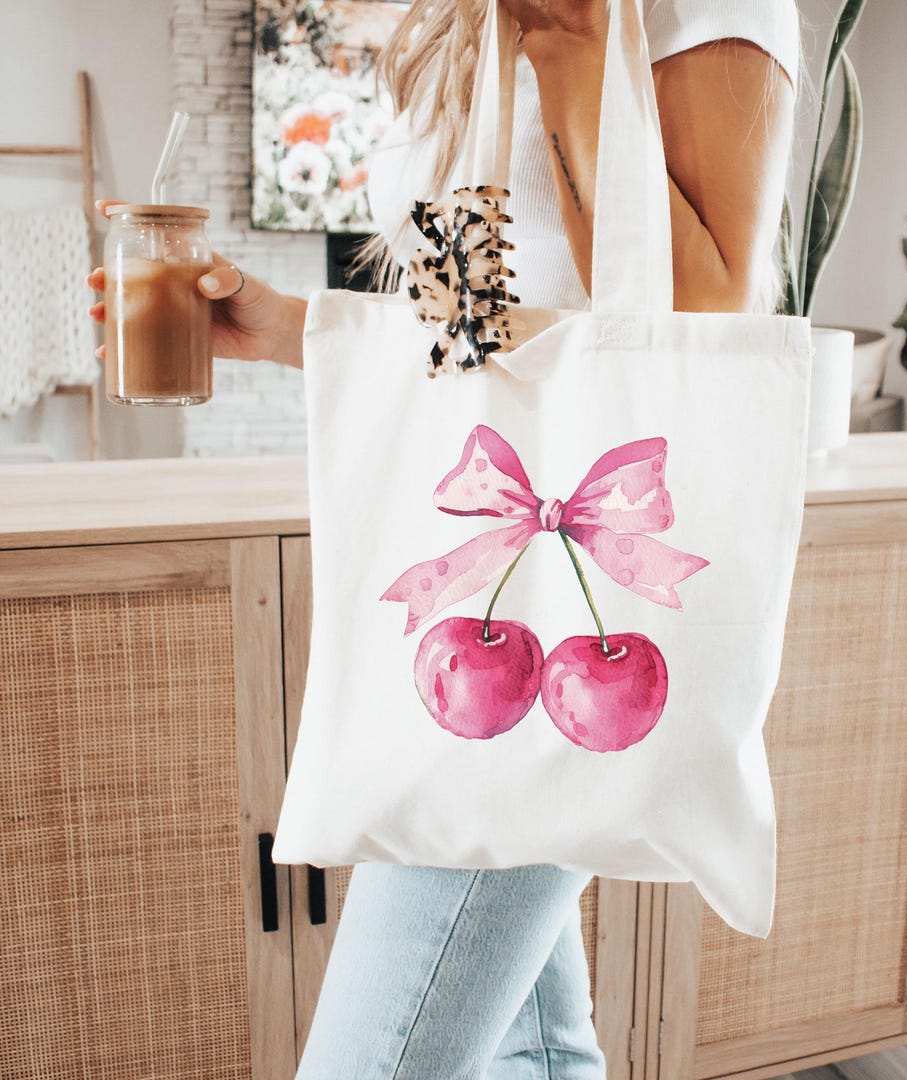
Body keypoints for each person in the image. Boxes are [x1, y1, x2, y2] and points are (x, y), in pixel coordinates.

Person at [90, 0, 799, 1074]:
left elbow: (701, 320)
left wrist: (566, 36)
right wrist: (290, 329)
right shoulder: (463, 22)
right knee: (541, 1049)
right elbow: (474, 328)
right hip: (496, 607)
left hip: (560, 598)